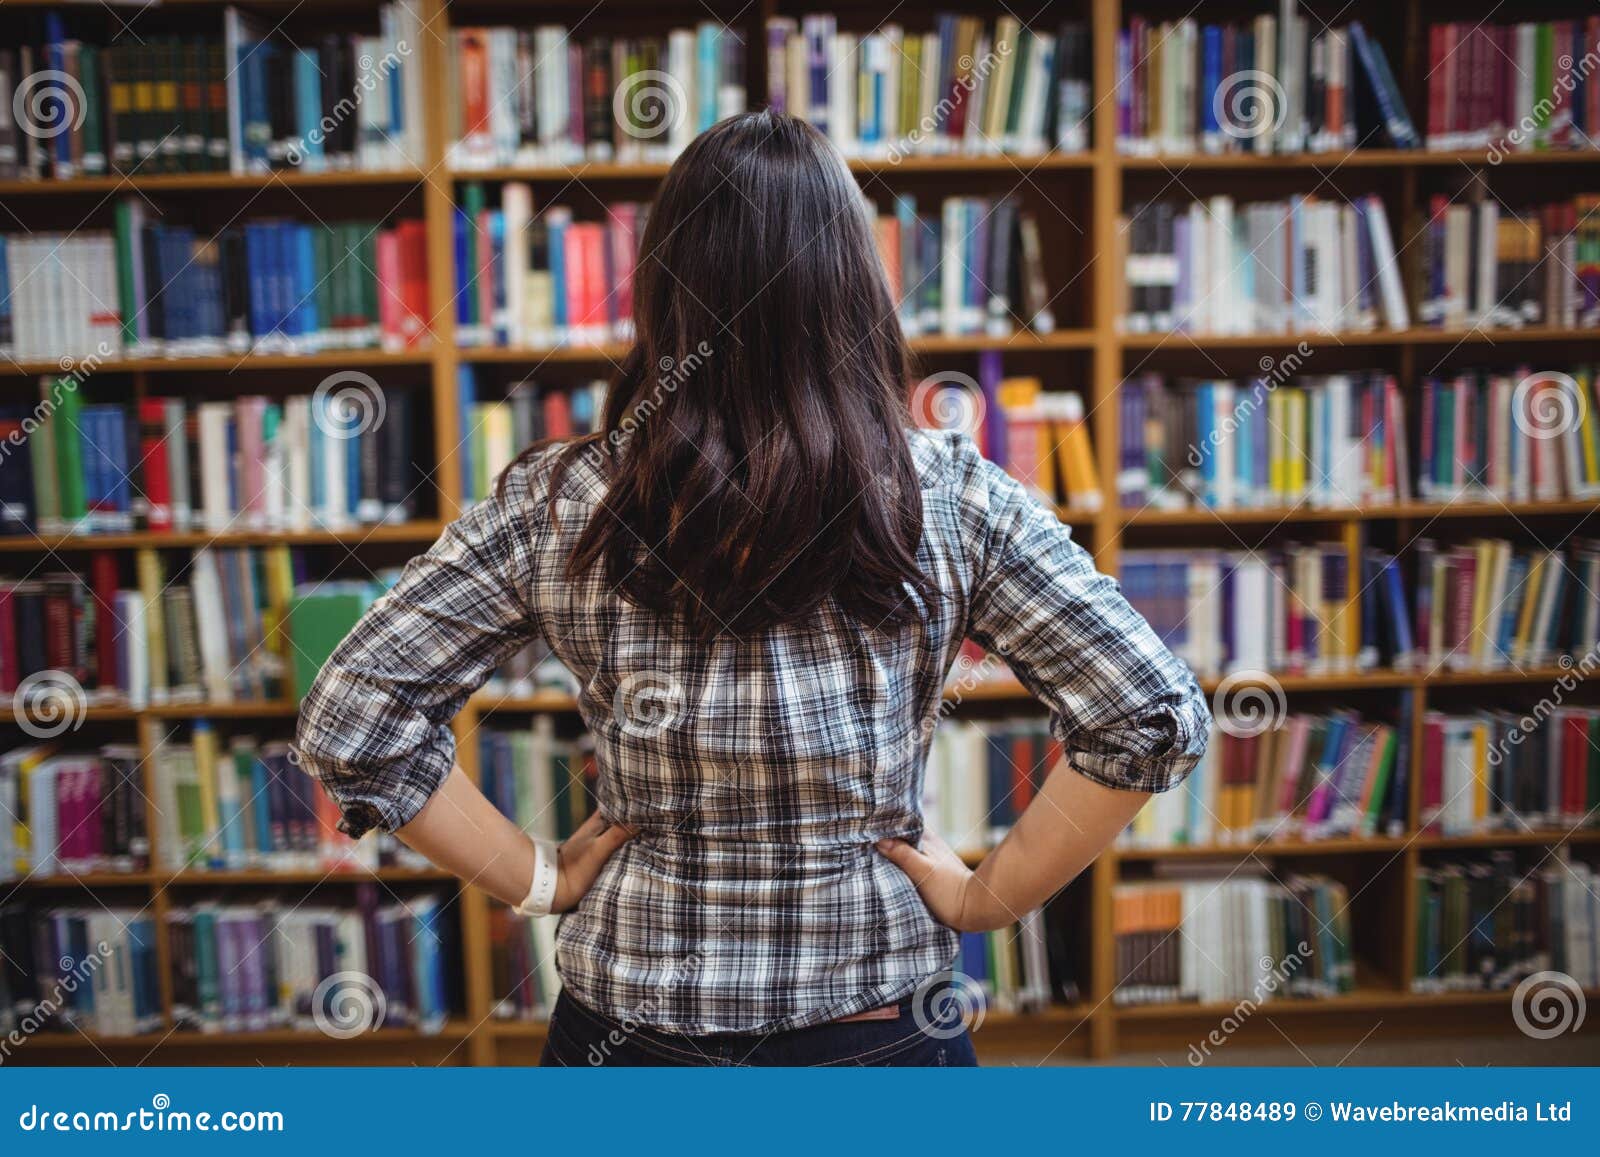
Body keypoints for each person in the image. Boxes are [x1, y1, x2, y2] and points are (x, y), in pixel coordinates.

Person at [294, 111, 1208, 1067]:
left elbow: (354, 718)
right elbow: (1144, 711)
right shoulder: (951, 495)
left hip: (630, 1040)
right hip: (878, 1031)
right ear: (857, 286)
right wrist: (991, 899)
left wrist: (534, 877)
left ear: (663, 288)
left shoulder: (563, 502)